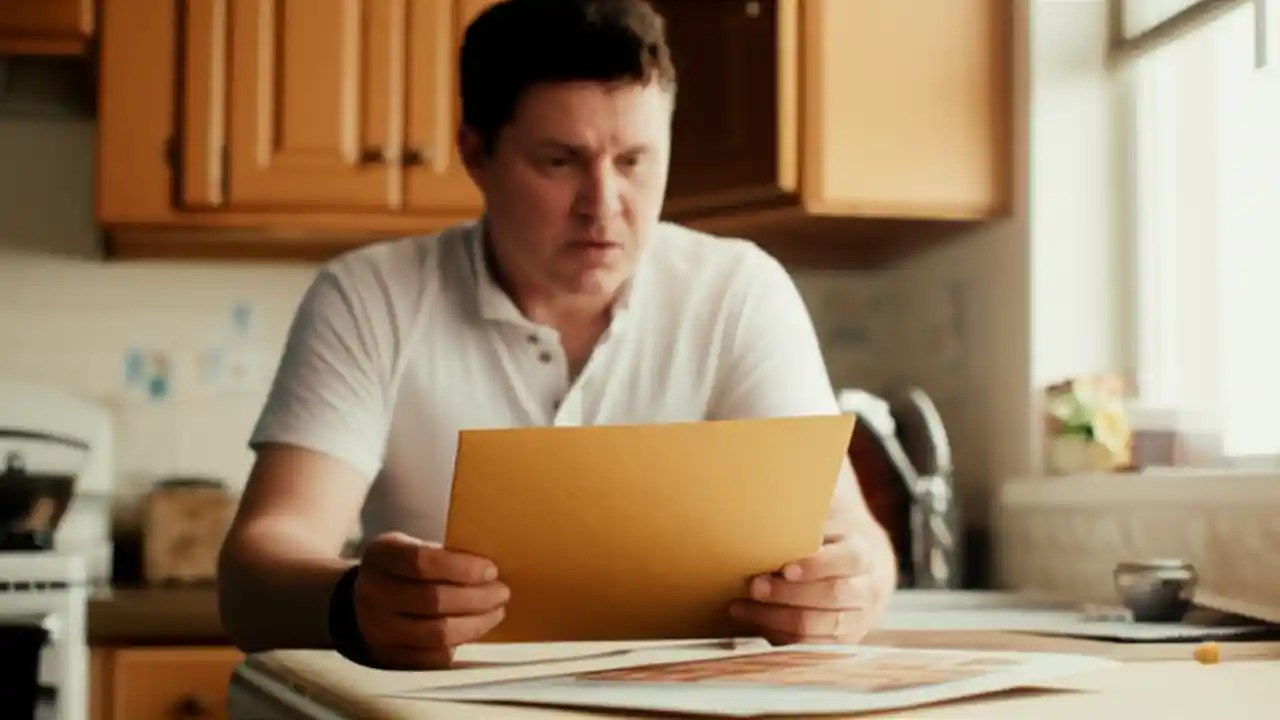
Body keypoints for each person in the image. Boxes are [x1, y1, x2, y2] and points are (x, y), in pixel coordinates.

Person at [217, 0, 897, 671]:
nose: (603, 205)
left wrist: (849, 587)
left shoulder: (739, 291)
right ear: (476, 153)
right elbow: (255, 573)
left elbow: (854, 539)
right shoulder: (372, 297)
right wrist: (351, 604)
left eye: (634, 161)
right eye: (559, 162)